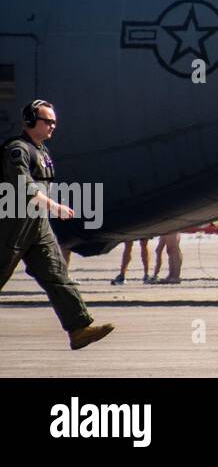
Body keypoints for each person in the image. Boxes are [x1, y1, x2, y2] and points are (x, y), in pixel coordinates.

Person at [0, 99, 114, 349]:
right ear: (30, 122)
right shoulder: (17, 150)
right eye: (47, 121)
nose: (52, 126)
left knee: (57, 274)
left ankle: (79, 328)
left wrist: (50, 206)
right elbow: (25, 188)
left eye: (54, 122)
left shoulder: (42, 150)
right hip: (11, 224)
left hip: (37, 225)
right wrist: (55, 207)